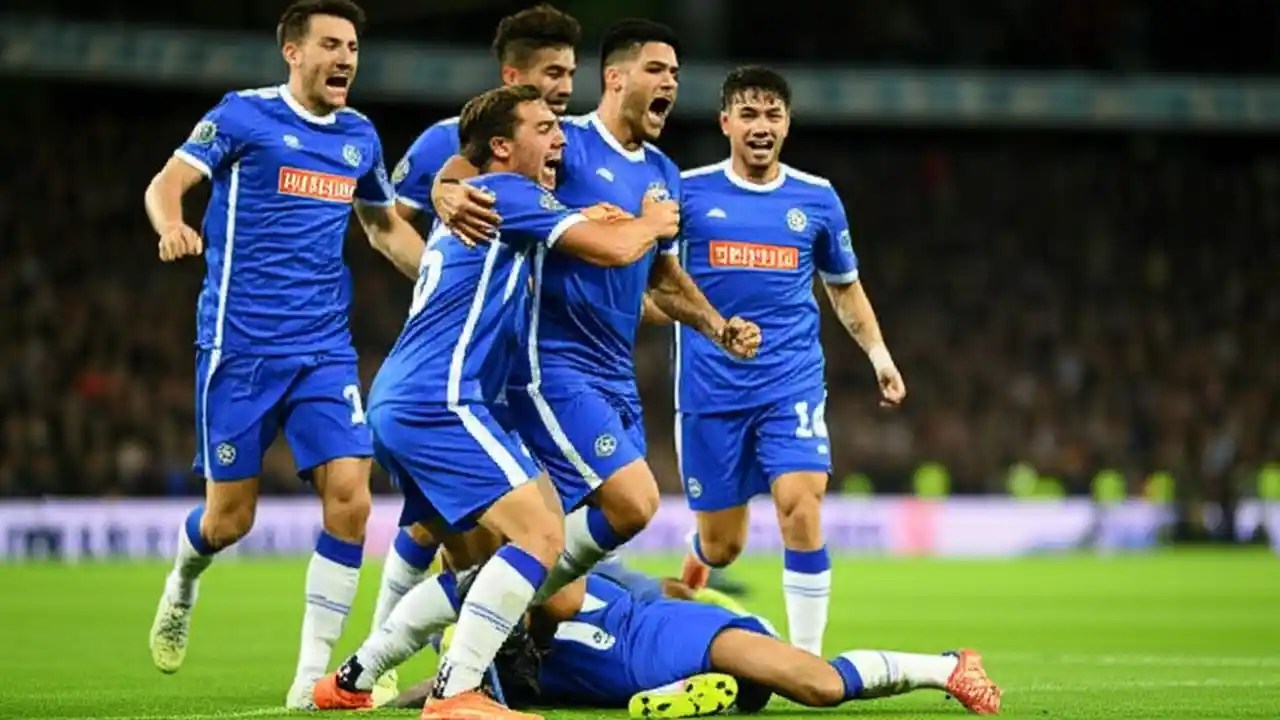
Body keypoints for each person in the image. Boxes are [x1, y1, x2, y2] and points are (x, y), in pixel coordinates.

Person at [310, 84, 681, 720]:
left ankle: (353, 675)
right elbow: (618, 248)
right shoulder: (508, 194)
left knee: (494, 555)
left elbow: (590, 223)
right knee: (541, 534)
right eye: (544, 126)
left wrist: (616, 221)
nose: (559, 136)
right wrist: (653, 220)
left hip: (410, 398)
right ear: (503, 146)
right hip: (442, 400)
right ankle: (456, 693)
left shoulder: (501, 201)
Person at [141, 0, 427, 708]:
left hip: (324, 350)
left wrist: (445, 281)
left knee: (352, 502)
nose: (346, 59)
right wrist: (173, 225)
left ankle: (311, 679)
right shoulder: (242, 116)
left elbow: (385, 227)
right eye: (331, 44)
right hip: (238, 349)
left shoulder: (359, 137)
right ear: (292, 53)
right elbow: (166, 184)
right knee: (229, 521)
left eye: (354, 47)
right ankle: (183, 578)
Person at [430, 17, 761, 622]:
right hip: (550, 366)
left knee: (558, 588)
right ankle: (464, 616)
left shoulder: (662, 172)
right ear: (615, 77)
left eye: (677, 74)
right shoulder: (565, 141)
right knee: (633, 502)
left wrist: (716, 325)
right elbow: (477, 167)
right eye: (657, 70)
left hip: (615, 373)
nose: (671, 83)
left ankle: (490, 622)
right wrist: (443, 192)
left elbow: (661, 274)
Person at [365, 6, 584, 698]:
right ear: (513, 76)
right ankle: (439, 682)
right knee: (471, 534)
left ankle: (375, 672)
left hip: (527, 374)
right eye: (552, 73)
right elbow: (384, 223)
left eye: (572, 74)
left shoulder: (573, 144)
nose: (564, 89)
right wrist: (440, 282)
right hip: (454, 377)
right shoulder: (447, 144)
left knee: (526, 566)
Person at [672, 66, 907, 657]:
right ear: (725, 122)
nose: (761, 126)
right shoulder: (687, 192)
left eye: (772, 115)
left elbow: (844, 287)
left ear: (787, 124)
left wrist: (878, 355)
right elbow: (656, 288)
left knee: (800, 505)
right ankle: (696, 569)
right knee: (723, 545)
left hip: (790, 384)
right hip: (710, 394)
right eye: (748, 114)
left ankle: (806, 661)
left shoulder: (817, 198)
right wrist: (711, 327)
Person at [389, 574, 1002, 717]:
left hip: (670, 634)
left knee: (818, 686)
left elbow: (563, 591)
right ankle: (725, 694)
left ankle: (947, 666)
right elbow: (432, 691)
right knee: (748, 698)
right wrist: (378, 697)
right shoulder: (483, 669)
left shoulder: (549, 583)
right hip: (641, 671)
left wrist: (722, 609)